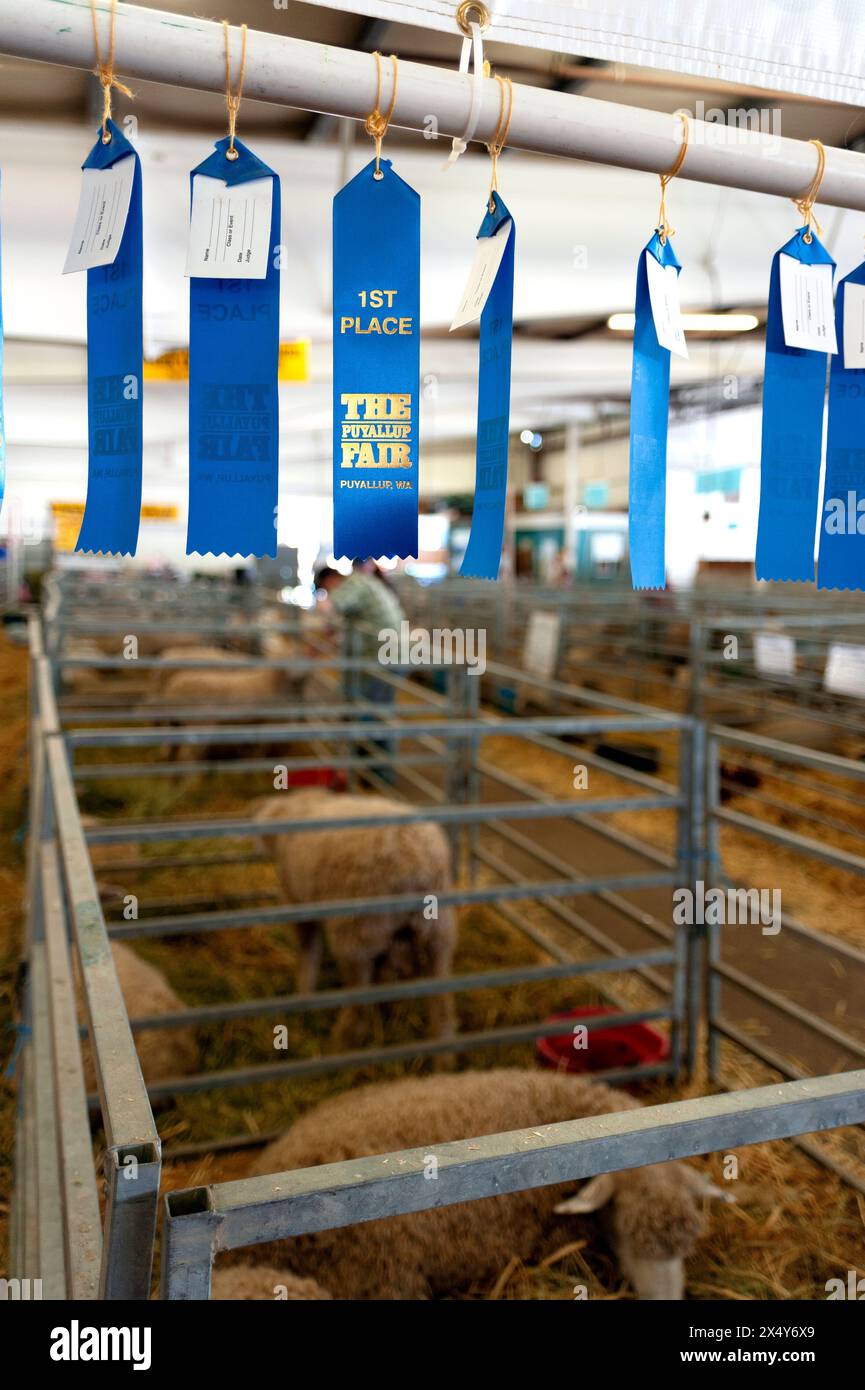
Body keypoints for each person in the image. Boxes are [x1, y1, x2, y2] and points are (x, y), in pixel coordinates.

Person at [314, 564, 407, 781]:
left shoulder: (354, 583)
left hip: (381, 658)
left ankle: (369, 771)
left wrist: (323, 605)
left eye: (325, 588)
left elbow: (329, 607)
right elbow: (337, 626)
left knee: (368, 715)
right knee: (378, 713)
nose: (329, 592)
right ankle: (376, 771)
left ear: (331, 579)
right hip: (389, 656)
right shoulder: (365, 584)